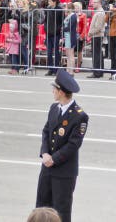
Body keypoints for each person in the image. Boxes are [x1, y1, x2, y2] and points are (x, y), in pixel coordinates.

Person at [35, 70, 89, 222]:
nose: (52, 91)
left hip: (64, 172)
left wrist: (54, 159)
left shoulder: (79, 116)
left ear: (61, 92)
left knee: (61, 212)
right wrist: (45, 153)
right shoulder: (54, 108)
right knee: (41, 208)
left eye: (54, 89)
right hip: (47, 168)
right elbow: (46, 131)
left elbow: (74, 144)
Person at [44, 0, 64, 76]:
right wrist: (46, 28)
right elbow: (45, 20)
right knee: (49, 52)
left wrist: (57, 29)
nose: (48, 2)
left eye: (50, 1)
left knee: (56, 52)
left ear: (54, 1)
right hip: (48, 33)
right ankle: (50, 69)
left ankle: (56, 69)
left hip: (56, 34)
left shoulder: (59, 10)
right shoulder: (48, 8)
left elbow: (61, 22)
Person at [86, 0, 106, 79]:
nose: (92, 4)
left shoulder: (100, 12)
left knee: (96, 54)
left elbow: (98, 27)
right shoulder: (99, 12)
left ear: (99, 3)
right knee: (98, 54)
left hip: (97, 35)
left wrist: (90, 33)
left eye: (94, 2)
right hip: (96, 35)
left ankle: (97, 72)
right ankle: (99, 71)